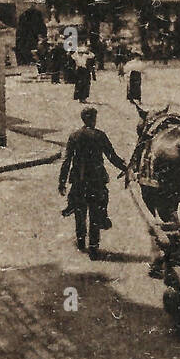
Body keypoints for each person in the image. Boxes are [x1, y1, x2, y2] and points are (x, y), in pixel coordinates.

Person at [58, 105, 127, 258]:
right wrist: (125, 167)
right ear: (93, 119)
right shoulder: (100, 136)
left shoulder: (74, 136)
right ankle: (94, 247)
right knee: (96, 212)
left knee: (79, 210)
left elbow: (67, 160)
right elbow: (112, 156)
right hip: (96, 180)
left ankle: (81, 240)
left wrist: (62, 182)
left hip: (79, 180)